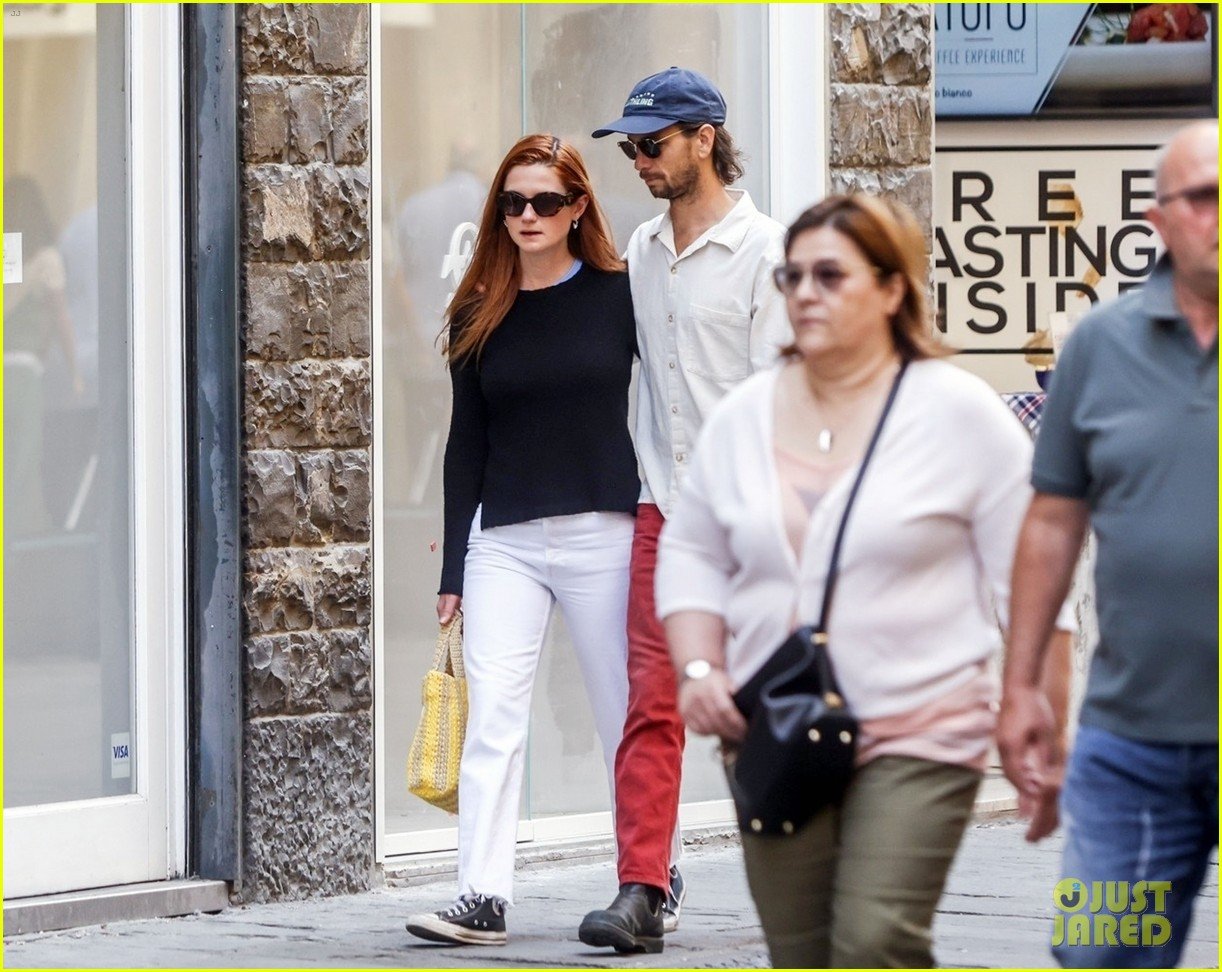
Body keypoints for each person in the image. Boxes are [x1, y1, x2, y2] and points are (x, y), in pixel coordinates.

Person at [654, 194, 1073, 968]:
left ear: (890, 290)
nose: (805, 293)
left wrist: (1038, 709)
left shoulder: (959, 414)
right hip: (774, 726)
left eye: (830, 276)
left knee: (875, 939)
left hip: (922, 722)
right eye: (793, 277)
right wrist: (700, 667)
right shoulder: (745, 416)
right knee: (801, 951)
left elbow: (1037, 579)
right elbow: (692, 554)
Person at [404, 134, 639, 946]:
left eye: (544, 201)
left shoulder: (621, 295)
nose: (526, 216)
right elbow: (463, 441)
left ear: (578, 208)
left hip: (605, 526)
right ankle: (481, 895)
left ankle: (652, 876)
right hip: (503, 535)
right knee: (494, 718)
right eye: (512, 202)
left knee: (622, 713)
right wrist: (454, 561)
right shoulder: (481, 308)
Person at [578, 66, 790, 953]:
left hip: (754, 517)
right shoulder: (644, 251)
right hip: (664, 513)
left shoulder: (766, 254)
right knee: (650, 706)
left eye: (652, 143)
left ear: (706, 139)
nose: (638, 159)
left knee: (779, 712)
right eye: (630, 146)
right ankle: (643, 889)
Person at [998, 121, 1218, 969]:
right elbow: (1053, 523)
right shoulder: (1099, 345)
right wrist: (1022, 688)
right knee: (1101, 957)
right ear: (1158, 220)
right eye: (1203, 197)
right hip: (1133, 748)